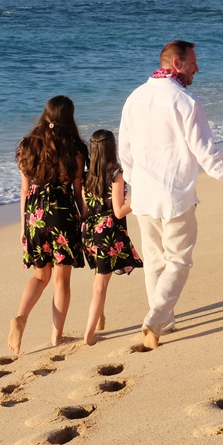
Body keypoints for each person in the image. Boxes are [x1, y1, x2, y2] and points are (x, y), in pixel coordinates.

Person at [119, 41, 223, 350]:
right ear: (177, 63)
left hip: (144, 196)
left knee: (154, 261)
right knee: (178, 261)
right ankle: (156, 317)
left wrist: (133, 188)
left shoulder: (133, 98)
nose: (197, 69)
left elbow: (125, 153)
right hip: (175, 195)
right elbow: (207, 155)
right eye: (193, 63)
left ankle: (165, 319)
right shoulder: (186, 102)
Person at [8, 96, 88, 355]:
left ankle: (20, 316)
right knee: (61, 281)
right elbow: (77, 192)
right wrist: (85, 218)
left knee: (40, 276)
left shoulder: (27, 146)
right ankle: (56, 337)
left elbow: (24, 190)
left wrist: (23, 227)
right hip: (61, 214)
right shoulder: (74, 149)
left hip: (34, 215)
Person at [81, 129, 143, 345]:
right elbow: (118, 212)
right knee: (101, 285)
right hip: (108, 233)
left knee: (99, 279)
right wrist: (138, 202)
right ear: (113, 148)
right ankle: (88, 334)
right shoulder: (116, 174)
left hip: (90, 233)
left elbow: (86, 209)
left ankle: (99, 318)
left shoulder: (87, 176)